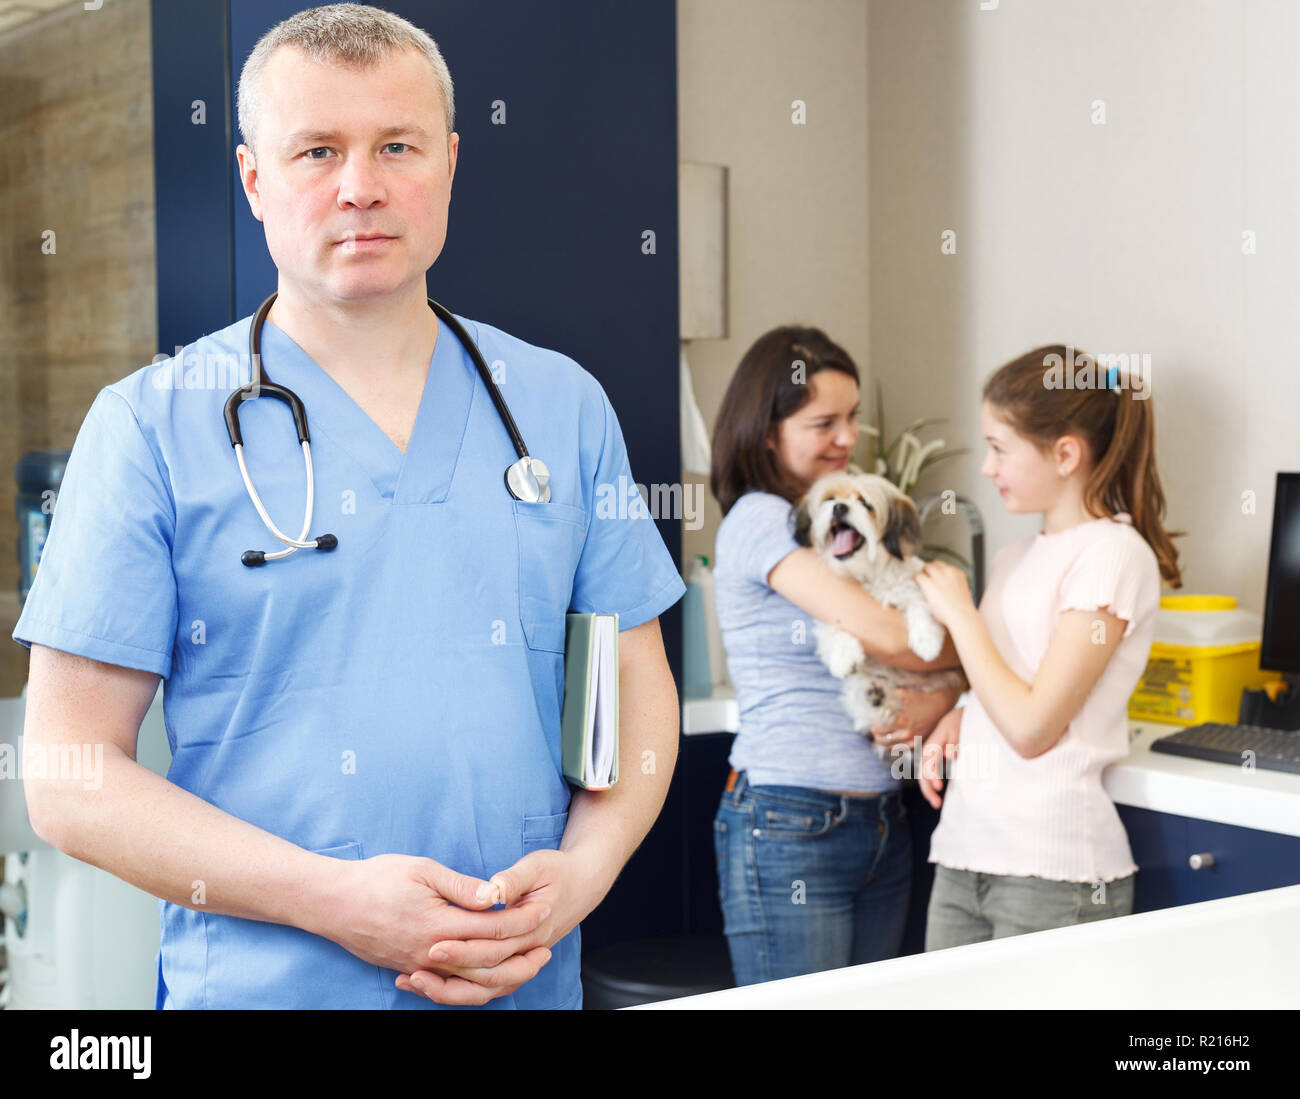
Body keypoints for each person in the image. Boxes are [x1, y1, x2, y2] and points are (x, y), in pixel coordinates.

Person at [13, 4, 685, 1010]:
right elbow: (67, 774)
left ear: (450, 163)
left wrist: (579, 877)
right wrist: (333, 901)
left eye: (397, 145)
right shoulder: (152, 425)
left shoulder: (558, 406)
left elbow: (623, 706)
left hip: (523, 983)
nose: (360, 186)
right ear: (253, 179)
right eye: (316, 150)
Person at [708, 325, 966, 986]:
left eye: (852, 417)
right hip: (790, 820)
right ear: (767, 431)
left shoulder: (842, 523)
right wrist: (965, 657)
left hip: (881, 817)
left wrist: (944, 691)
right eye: (824, 422)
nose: (847, 437)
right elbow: (885, 632)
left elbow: (940, 651)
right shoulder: (763, 519)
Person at [914, 344, 1181, 949]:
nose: (987, 467)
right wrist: (964, 714)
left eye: (1000, 448)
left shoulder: (1113, 555)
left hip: (1052, 873)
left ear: (1065, 454)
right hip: (963, 855)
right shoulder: (1015, 558)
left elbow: (1035, 729)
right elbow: (1011, 681)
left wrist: (960, 615)